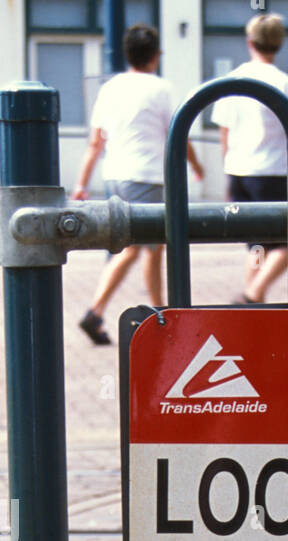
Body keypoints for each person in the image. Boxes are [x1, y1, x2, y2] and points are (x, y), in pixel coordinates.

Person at [73, 24, 204, 345]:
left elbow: (95, 142)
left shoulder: (110, 88)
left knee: (136, 246)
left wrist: (81, 182)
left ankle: (149, 313)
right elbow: (178, 134)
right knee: (146, 248)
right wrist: (197, 165)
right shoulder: (161, 89)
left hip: (115, 174)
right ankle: (151, 315)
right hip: (146, 175)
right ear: (156, 55)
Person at [212, 13, 288, 304]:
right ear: (280, 43)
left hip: (239, 171)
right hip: (273, 172)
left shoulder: (232, 79)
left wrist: (228, 171)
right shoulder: (283, 83)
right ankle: (253, 294)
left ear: (250, 42)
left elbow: (224, 132)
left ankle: (253, 308)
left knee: (256, 245)